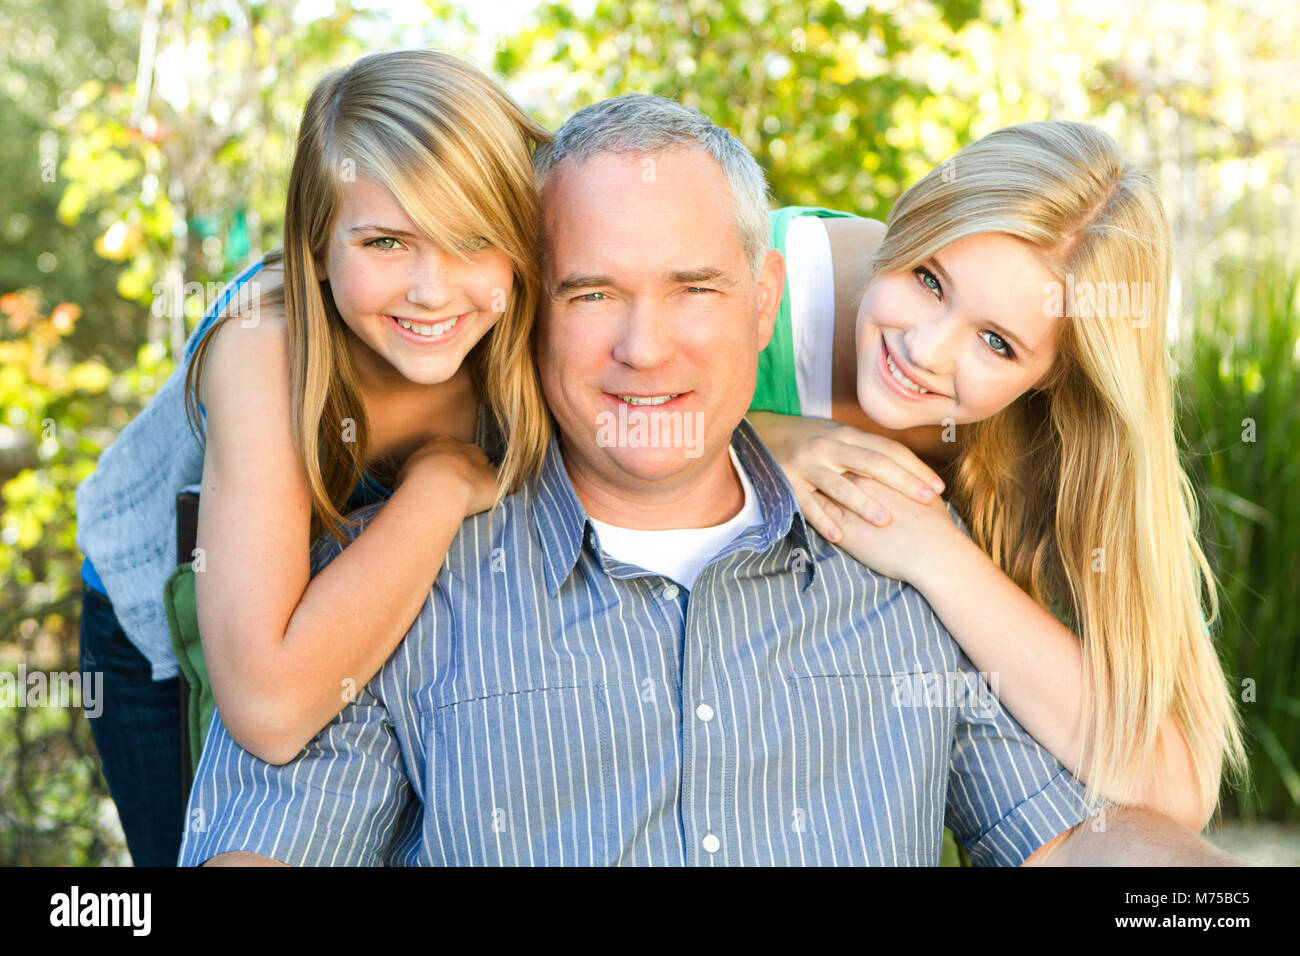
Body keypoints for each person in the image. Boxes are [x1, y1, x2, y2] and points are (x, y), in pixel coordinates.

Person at [178, 94, 1241, 867]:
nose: (925, 348)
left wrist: (932, 553)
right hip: (186, 591)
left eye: (696, 288)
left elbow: (1123, 816)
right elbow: (275, 769)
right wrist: (754, 428)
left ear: (759, 298)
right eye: (590, 290)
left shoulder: (917, 553)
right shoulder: (397, 497)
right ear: (526, 301)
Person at [73, 48, 551, 866]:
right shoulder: (265, 350)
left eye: (472, 237)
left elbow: (745, 252)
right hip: (159, 618)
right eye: (387, 242)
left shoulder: (529, 318)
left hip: (346, 587)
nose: (432, 291)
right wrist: (436, 486)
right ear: (318, 242)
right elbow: (269, 705)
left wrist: (766, 435)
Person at [745, 124, 1247, 833]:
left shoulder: (1050, 444)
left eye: (996, 342)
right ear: (911, 218)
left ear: (1056, 378)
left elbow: (1174, 782)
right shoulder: (753, 280)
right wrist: (741, 440)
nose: (923, 349)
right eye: (928, 278)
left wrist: (937, 554)